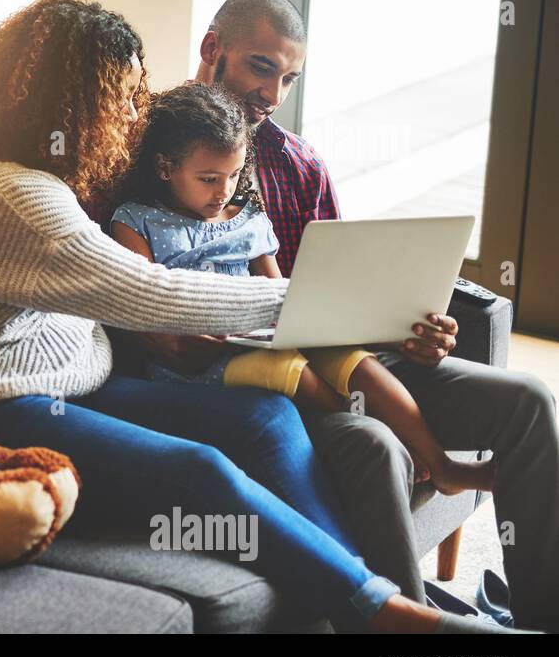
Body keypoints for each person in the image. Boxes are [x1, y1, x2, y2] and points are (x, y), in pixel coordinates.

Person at [0, 0, 504, 633]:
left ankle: (371, 598)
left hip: (82, 386)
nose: (134, 112)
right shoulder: (11, 193)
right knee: (201, 467)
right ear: (68, 99)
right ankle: (385, 613)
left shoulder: (54, 177)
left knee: (266, 416)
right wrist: (325, 305)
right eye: (121, 95)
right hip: (11, 405)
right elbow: (151, 293)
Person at [124, 0, 556, 630]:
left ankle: (541, 619)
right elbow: (137, 295)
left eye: (289, 78)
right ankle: (420, 647)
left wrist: (411, 329)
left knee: (530, 400)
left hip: (350, 355)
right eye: (260, 67)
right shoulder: (149, 150)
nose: (273, 96)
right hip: (264, 376)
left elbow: (340, 293)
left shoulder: (299, 166)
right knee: (373, 441)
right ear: (212, 50)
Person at [110, 81, 496, 496]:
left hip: (257, 336)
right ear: (166, 167)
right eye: (207, 178)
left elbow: (281, 296)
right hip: (194, 357)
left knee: (354, 361)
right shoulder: (135, 221)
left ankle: (441, 465)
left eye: (234, 174)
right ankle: (387, 437)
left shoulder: (247, 218)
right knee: (286, 369)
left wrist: (310, 327)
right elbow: (142, 302)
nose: (222, 191)